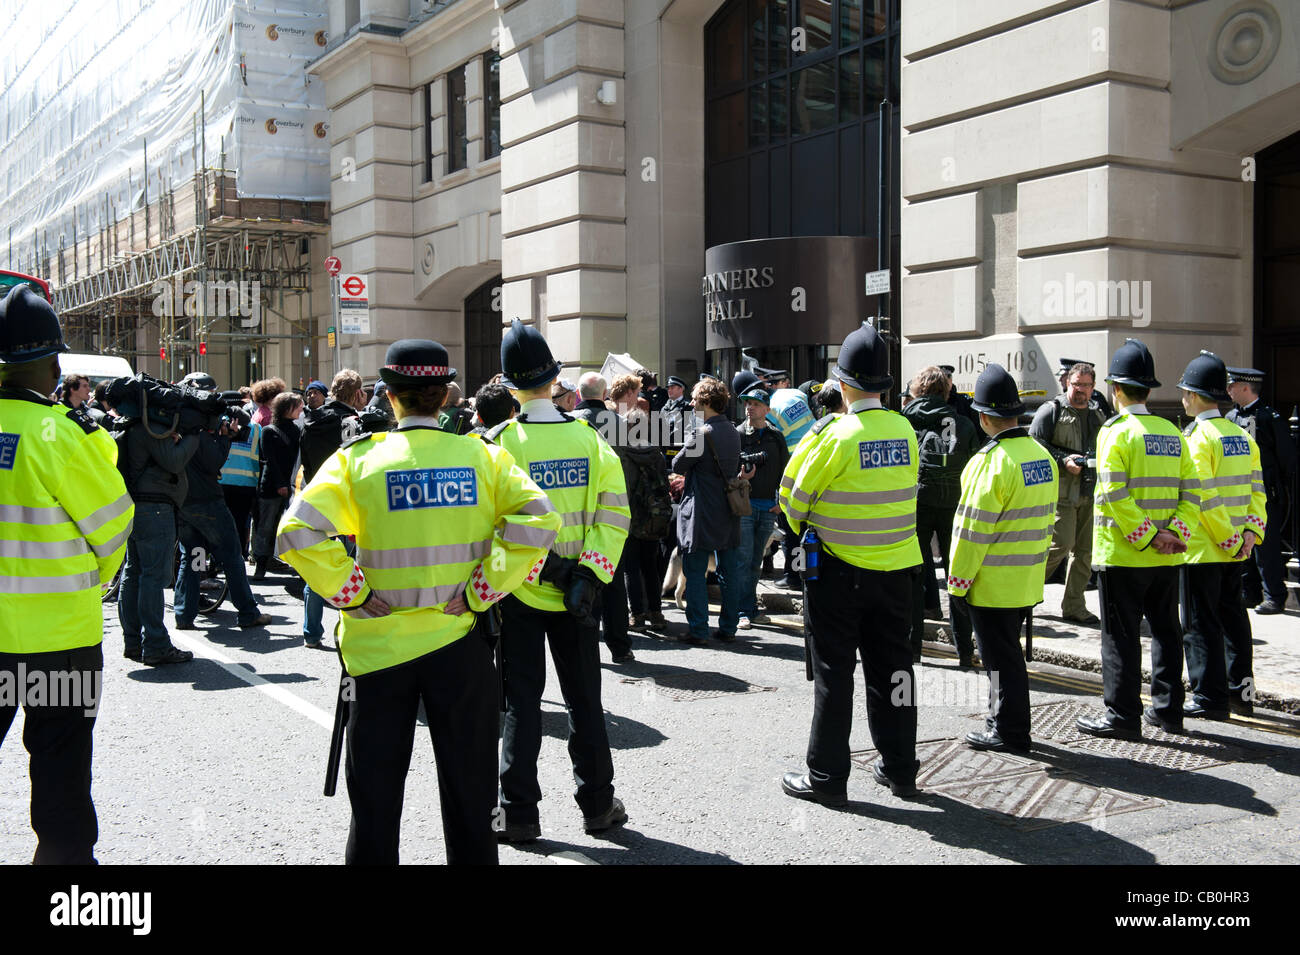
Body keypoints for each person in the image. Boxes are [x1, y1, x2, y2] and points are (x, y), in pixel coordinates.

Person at [277, 339, 560, 864]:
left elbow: (295, 532)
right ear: (445, 394)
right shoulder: (482, 456)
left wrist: (351, 592)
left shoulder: (357, 460)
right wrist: (484, 589)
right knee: (471, 798)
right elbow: (540, 520)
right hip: (461, 644)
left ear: (388, 396)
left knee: (376, 804)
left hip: (377, 651)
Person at [0, 285, 134, 864]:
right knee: (60, 767)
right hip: (63, 641)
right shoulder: (61, 435)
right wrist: (93, 580)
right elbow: (113, 527)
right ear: (55, 364)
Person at [489, 319, 629, 843]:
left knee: (520, 704)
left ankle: (519, 812)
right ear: (556, 380)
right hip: (581, 595)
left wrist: (540, 565)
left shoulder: (498, 444)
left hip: (519, 594)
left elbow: (491, 527)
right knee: (584, 702)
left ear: (508, 386)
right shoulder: (590, 441)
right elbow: (614, 515)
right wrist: (589, 574)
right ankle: (597, 805)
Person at [779, 322, 922, 804]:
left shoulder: (834, 436)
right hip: (899, 570)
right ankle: (901, 770)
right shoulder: (905, 430)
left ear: (842, 384)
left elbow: (791, 501)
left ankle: (827, 779)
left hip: (840, 574)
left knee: (834, 674)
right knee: (895, 673)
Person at [1076, 338, 1200, 740]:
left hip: (1124, 554)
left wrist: (1147, 537)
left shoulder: (1116, 432)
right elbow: (1192, 492)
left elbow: (1114, 493)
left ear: (1115, 389)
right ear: (1149, 389)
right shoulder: (1173, 431)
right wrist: (1173, 535)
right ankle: (1168, 711)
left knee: (1121, 638)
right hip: (1167, 557)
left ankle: (1123, 716)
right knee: (1167, 632)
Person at [949, 365, 1058, 752]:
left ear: (982, 417)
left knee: (1000, 660)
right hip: (1027, 576)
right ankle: (1005, 722)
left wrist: (957, 583)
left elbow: (971, 532)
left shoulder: (988, 461)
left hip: (992, 581)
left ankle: (1009, 730)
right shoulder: (1041, 456)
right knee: (1009, 655)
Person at [1177, 353, 1266, 719]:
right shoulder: (1241, 436)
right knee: (1234, 619)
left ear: (1195, 396)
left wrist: (1228, 537)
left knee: (1200, 624)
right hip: (1237, 550)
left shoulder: (1198, 437)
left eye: (1184, 392)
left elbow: (1204, 496)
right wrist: (1250, 533)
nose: (1182, 398)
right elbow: (1258, 489)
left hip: (1204, 548)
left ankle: (1208, 697)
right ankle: (1241, 692)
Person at [903, 365, 982, 664]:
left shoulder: (905, 421)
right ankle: (965, 651)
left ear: (918, 390)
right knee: (957, 576)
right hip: (954, 505)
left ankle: (913, 650)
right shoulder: (963, 423)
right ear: (947, 391)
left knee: (916, 575)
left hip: (917, 503)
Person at [118, 379, 200, 666]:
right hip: (154, 509)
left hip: (134, 507)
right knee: (152, 576)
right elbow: (174, 462)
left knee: (134, 570)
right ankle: (155, 644)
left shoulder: (131, 426)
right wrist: (193, 436)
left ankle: (133, 642)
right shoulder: (150, 429)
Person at [174, 404, 273, 632]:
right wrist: (225, 438)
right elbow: (215, 462)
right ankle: (248, 612)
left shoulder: (186, 432)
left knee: (194, 557)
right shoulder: (203, 437)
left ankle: (185, 615)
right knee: (232, 557)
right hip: (208, 504)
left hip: (187, 505)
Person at [1030, 361, 1107, 625]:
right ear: (1067, 383)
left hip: (1089, 490)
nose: (1081, 390)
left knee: (1085, 551)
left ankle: (1074, 605)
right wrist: (1064, 460)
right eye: (1077, 384)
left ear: (1093, 387)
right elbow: (1035, 446)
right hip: (1062, 492)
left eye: (1086, 385)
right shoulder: (1051, 410)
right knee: (1060, 544)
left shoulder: (1098, 416)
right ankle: (1025, 591)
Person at [670, 377, 742, 644]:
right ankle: (729, 628)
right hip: (728, 510)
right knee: (728, 571)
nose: (691, 402)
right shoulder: (733, 431)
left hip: (701, 512)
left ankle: (699, 629)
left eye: (695, 399)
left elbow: (678, 465)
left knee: (695, 571)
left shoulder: (702, 434)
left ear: (707, 402)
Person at [1226, 367, 1296, 614]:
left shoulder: (1269, 418)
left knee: (1265, 547)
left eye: (1232, 385)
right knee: (1241, 544)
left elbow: (1287, 458)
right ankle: (1249, 591)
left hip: (1264, 493)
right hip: (1236, 493)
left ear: (1246, 387)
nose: (1228, 389)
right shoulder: (1230, 417)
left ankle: (1274, 595)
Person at [735, 385, 789, 629]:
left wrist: (781, 504)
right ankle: (742, 611)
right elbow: (728, 472)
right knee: (743, 559)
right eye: (747, 403)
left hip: (768, 508)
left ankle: (750, 608)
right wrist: (740, 477)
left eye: (755, 404)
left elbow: (786, 472)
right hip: (744, 506)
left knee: (756, 560)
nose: (749, 408)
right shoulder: (738, 434)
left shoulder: (776, 436)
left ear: (767, 409)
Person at [621, 408, 671, 633]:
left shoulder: (623, 454)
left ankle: (637, 614)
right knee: (650, 566)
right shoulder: (657, 454)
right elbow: (664, 486)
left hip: (630, 517)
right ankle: (656, 613)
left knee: (631, 568)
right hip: (653, 517)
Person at [251, 392, 302, 579]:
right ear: (286, 408)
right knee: (266, 526)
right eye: (297, 406)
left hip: (289, 486)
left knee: (283, 526)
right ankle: (261, 564)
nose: (301, 409)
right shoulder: (268, 431)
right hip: (271, 485)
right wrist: (281, 484)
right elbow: (269, 460)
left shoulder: (297, 430)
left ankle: (274, 560)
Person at [218, 390, 262, 560]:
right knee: (240, 522)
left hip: (221, 481)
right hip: (247, 483)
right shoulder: (256, 428)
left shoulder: (217, 426)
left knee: (221, 523)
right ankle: (236, 556)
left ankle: (219, 558)